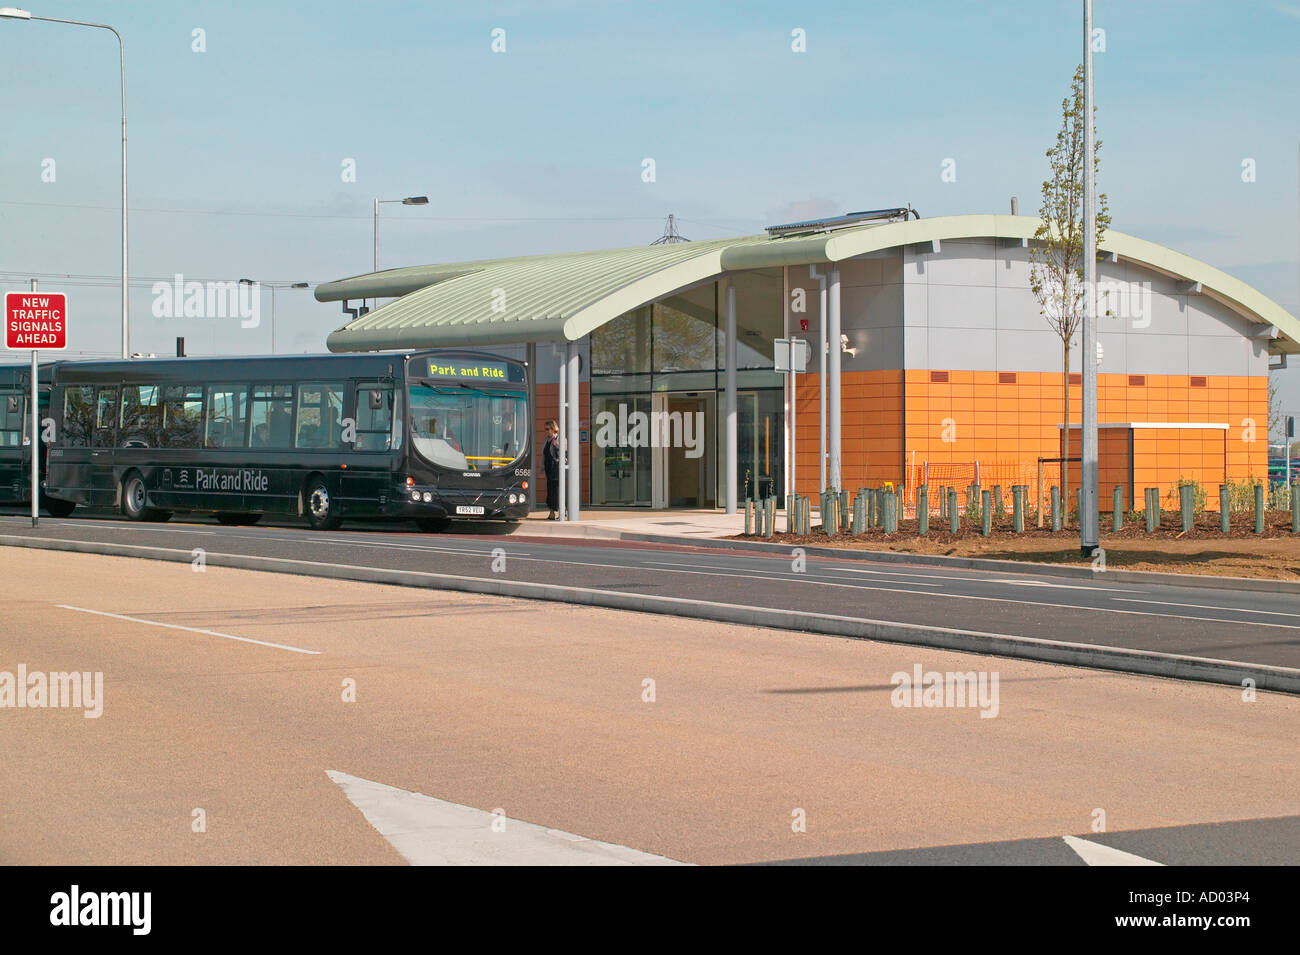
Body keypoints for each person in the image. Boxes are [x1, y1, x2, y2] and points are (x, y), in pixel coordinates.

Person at [542, 419, 561, 520]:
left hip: (556, 468)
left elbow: (563, 453)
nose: (546, 431)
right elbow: (544, 455)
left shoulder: (558, 439)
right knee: (550, 490)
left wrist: (557, 444)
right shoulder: (546, 440)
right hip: (548, 468)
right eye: (545, 429)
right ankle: (551, 512)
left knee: (557, 490)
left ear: (554, 429)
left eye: (548, 429)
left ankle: (561, 511)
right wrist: (542, 468)